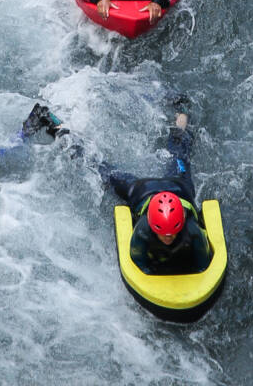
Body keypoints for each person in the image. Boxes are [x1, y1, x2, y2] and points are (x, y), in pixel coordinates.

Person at [21, 99, 213, 275]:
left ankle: (181, 114)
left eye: (171, 233)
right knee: (100, 168)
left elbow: (204, 267)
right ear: (153, 226)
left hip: (179, 187)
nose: (169, 237)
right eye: (164, 233)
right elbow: (139, 265)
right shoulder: (143, 230)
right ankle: (57, 127)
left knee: (181, 152)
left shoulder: (192, 231)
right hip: (143, 191)